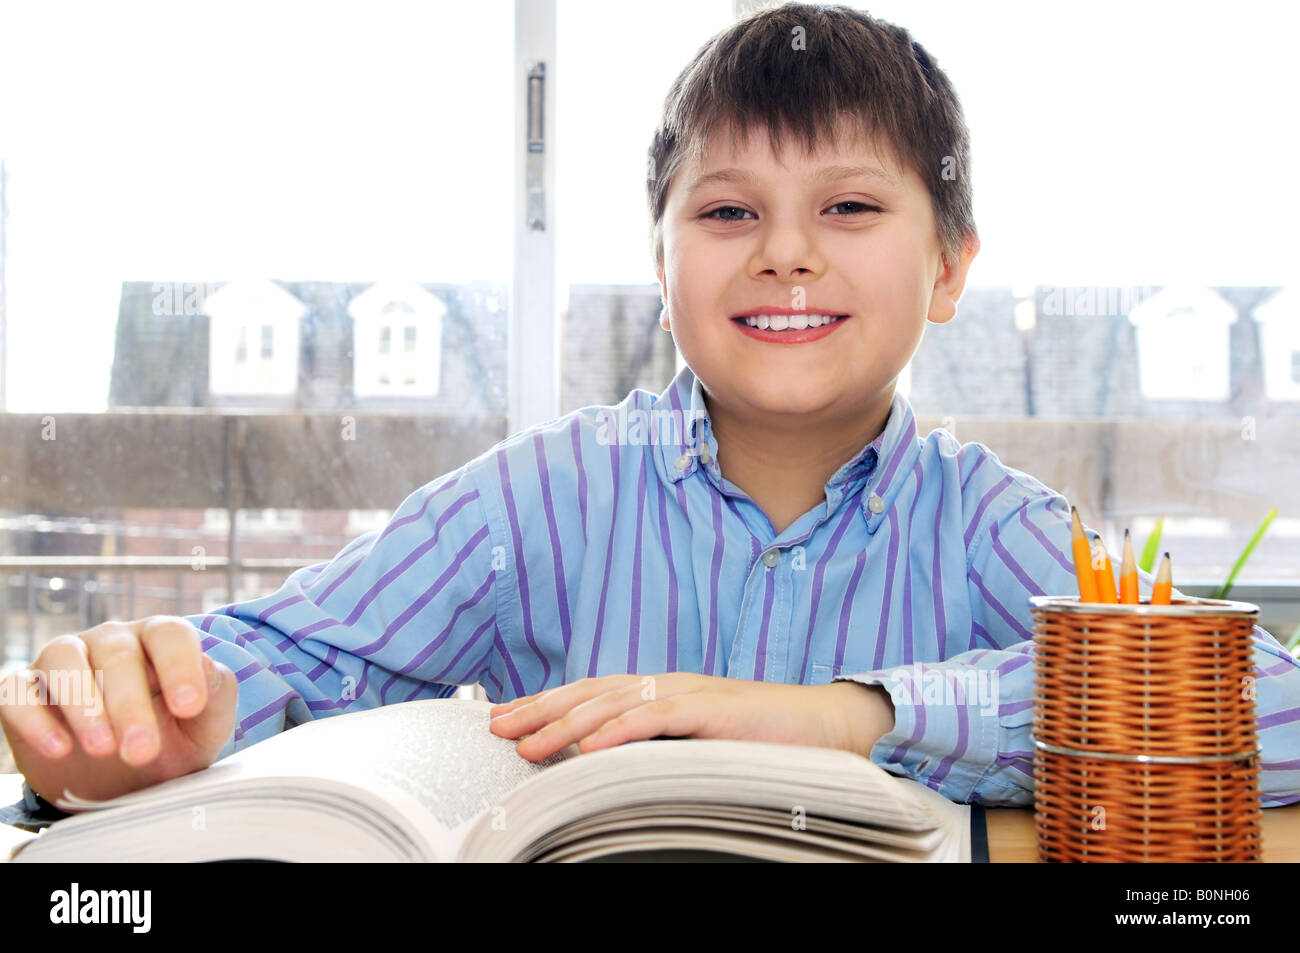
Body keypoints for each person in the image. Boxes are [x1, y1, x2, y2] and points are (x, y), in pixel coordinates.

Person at [4, 2, 1298, 816]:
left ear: (952, 266)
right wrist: (150, 711)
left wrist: (854, 714)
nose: (786, 254)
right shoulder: (544, 495)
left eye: (849, 208)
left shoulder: (993, 527)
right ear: (661, 263)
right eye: (728, 212)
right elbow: (295, 654)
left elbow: (1272, 712)